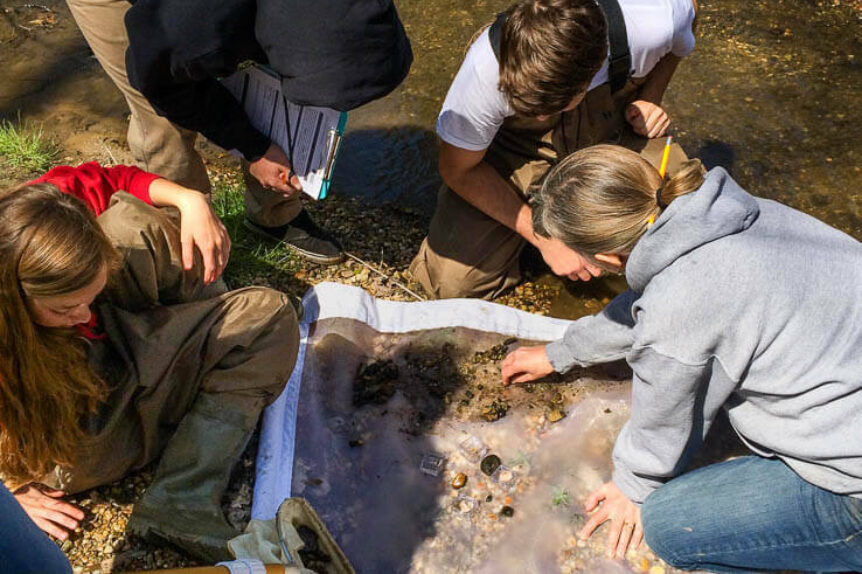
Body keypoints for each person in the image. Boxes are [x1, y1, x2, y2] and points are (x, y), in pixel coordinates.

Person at [499, 145, 862, 572]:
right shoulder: (729, 214)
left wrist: (632, 488)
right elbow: (649, 307)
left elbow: (664, 422)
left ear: (609, 259)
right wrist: (562, 352)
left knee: (671, 527)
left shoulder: (679, 306)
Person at [0, 163, 299, 562]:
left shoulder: (37, 212)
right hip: (70, 433)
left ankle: (194, 337)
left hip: (96, 355)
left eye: (90, 297)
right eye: (67, 307)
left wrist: (190, 199)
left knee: (133, 223)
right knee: (267, 322)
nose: (85, 313)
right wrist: (11, 493)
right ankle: (182, 497)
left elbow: (116, 180)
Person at [66, 0, 413, 264]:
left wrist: (261, 143)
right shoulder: (190, 24)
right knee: (165, 124)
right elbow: (159, 83)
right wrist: (253, 146)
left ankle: (273, 216)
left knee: (270, 91)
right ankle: (183, 247)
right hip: (155, 20)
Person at [409, 0, 697, 300]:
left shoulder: (653, 21)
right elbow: (459, 170)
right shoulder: (483, 73)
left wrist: (652, 97)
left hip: (610, 128)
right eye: (524, 104)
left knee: (688, 211)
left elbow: (690, 16)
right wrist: (545, 240)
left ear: (591, 74)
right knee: (453, 287)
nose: (540, 117)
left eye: (547, 107)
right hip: (519, 149)